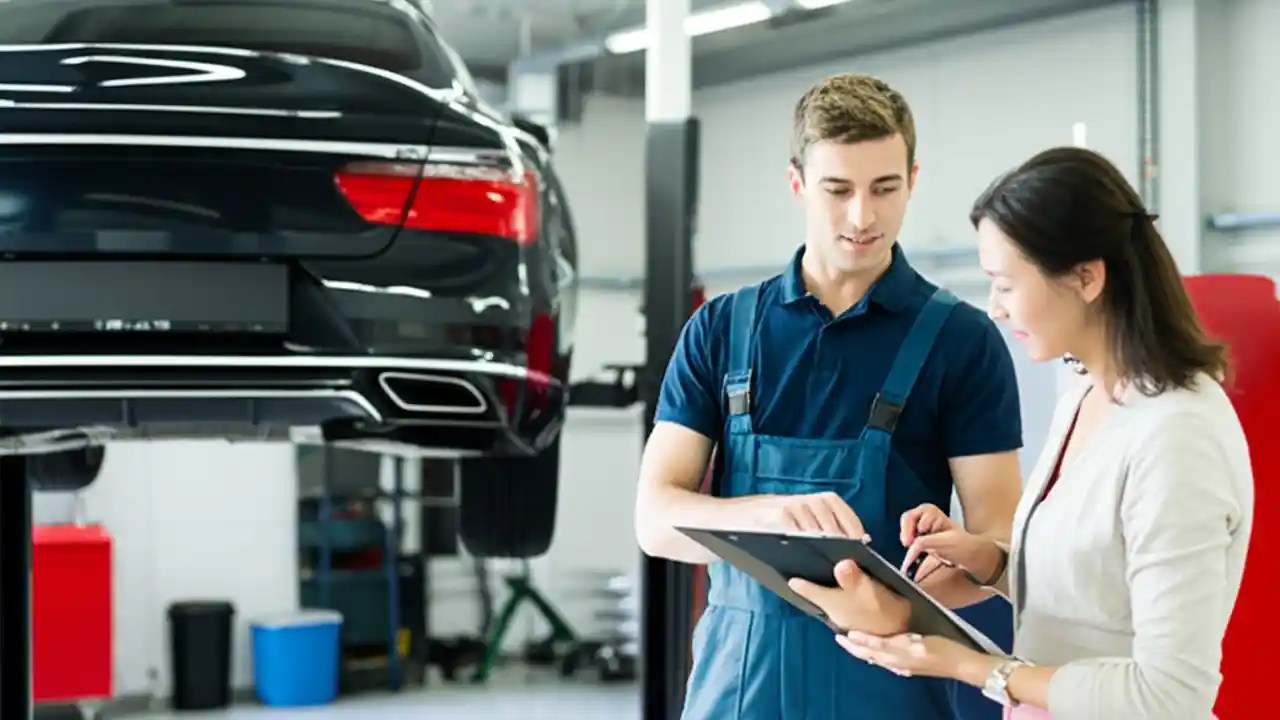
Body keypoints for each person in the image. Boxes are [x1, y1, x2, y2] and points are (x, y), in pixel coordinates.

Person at [790, 146, 1255, 720]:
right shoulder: (1086, 395)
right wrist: (989, 562)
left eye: (1005, 284)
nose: (995, 309)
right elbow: (1097, 595)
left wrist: (972, 666)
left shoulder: (1176, 436)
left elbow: (1169, 695)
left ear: (1086, 277)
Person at [634, 73, 1025, 720]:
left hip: (889, 687)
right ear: (797, 183)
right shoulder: (721, 330)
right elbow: (655, 520)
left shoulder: (962, 341)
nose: (862, 217)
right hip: (738, 690)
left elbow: (1002, 546)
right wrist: (775, 518)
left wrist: (905, 601)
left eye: (885, 188)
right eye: (837, 190)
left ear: (914, 179)